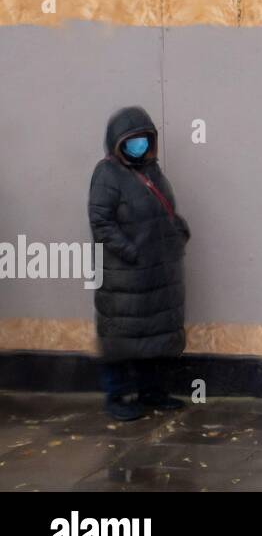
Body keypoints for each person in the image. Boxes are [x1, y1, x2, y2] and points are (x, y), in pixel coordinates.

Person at [87, 106, 190, 421]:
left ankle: (152, 392)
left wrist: (178, 232)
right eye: (132, 141)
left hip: (156, 274)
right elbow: (101, 222)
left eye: (144, 140)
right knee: (120, 340)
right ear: (118, 142)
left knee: (153, 337)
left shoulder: (151, 171)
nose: (139, 146)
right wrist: (131, 252)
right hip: (125, 278)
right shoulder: (107, 173)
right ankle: (116, 396)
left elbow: (163, 210)